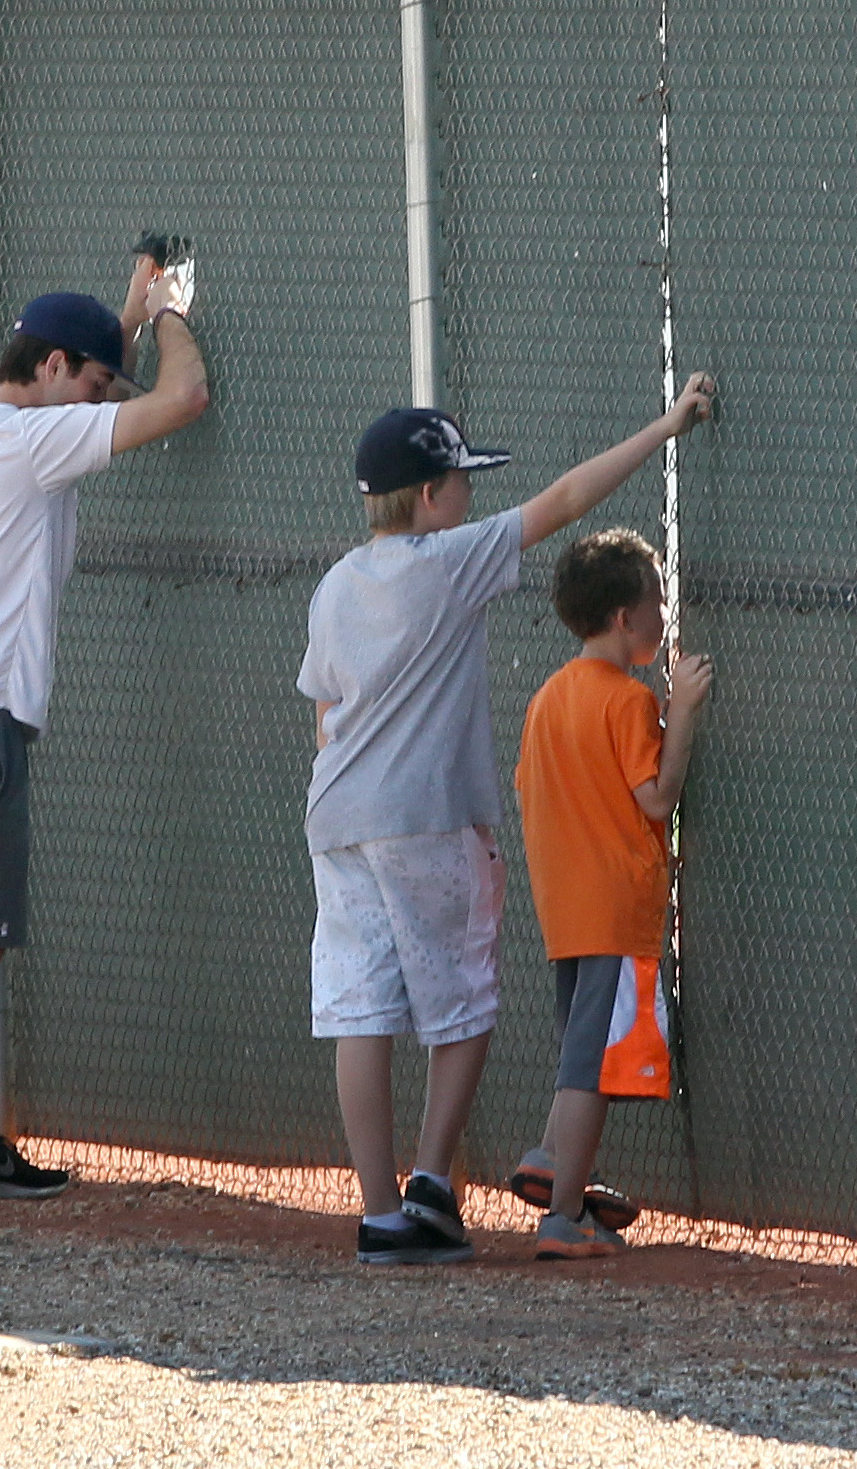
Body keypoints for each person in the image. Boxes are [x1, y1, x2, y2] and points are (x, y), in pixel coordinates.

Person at [299, 375, 716, 1267]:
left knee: (359, 1011)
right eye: (462, 481)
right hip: (428, 813)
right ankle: (434, 1184)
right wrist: (665, 426)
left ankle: (380, 1213)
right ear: (429, 495)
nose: (472, 494)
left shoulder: (335, 583)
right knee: (462, 1001)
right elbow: (567, 499)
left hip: (337, 814)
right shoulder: (448, 559)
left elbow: (326, 715)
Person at [0, 256, 210, 1197]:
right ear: (47, 368)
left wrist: (121, 314)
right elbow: (185, 397)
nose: (97, 404)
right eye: (88, 382)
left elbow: (92, 377)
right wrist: (166, 313)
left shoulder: (6, 429)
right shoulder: (29, 442)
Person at [502, 527, 714, 1259]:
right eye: (657, 601)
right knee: (590, 1064)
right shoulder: (626, 700)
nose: (664, 614)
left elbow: (530, 791)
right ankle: (563, 1213)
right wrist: (679, 709)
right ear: (625, 618)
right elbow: (657, 799)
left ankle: (551, 1157)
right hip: (615, 908)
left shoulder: (547, 698)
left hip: (565, 907)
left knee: (582, 1049)